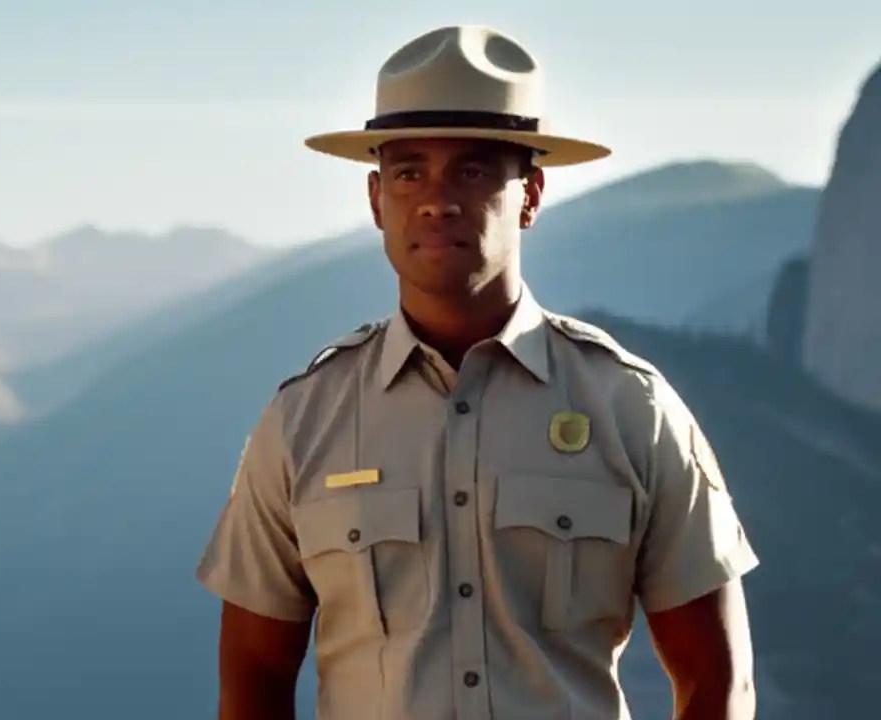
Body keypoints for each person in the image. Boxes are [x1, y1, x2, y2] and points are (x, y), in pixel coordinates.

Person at [194, 24, 760, 720]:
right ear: (376, 199)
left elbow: (717, 681)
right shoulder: (304, 422)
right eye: (409, 172)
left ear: (531, 194)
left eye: (473, 170)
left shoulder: (632, 409)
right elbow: (252, 678)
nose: (437, 199)